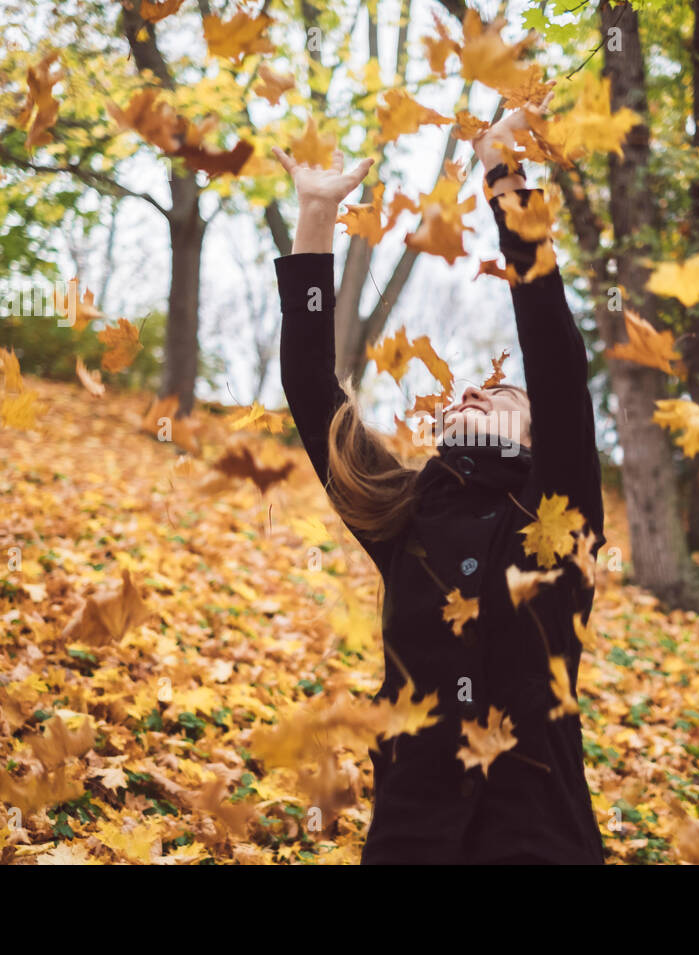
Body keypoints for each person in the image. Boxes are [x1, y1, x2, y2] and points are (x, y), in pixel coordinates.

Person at [271, 104, 606, 864]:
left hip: (539, 841)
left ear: (532, 438)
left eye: (506, 393)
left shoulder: (560, 514)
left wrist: (502, 178)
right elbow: (310, 389)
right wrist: (317, 215)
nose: (484, 390)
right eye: (477, 390)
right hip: (411, 839)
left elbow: (554, 355)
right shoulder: (406, 513)